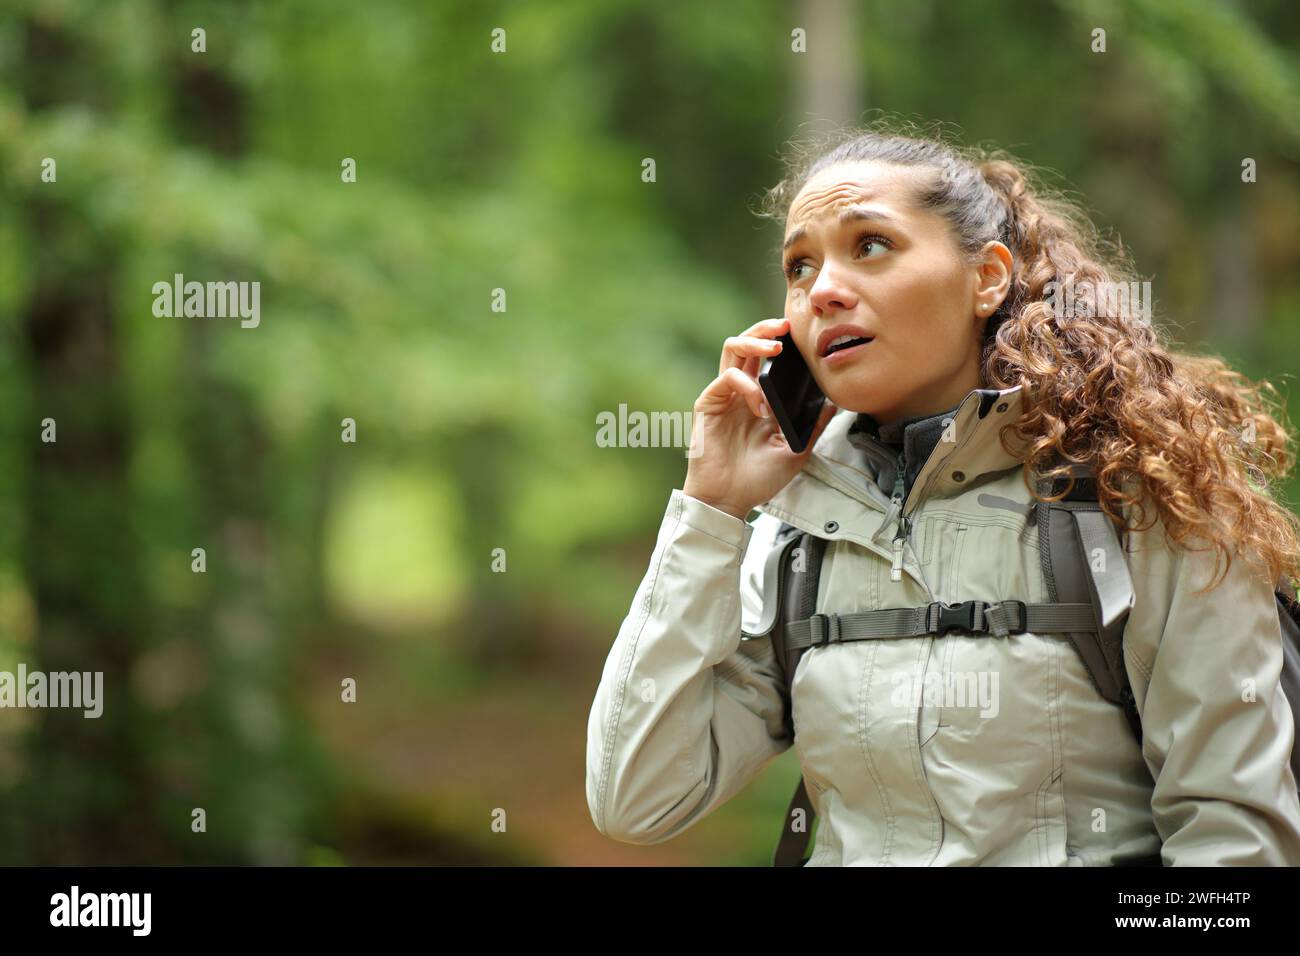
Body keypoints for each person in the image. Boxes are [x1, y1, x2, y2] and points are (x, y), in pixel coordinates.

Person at [584, 121, 1300, 865]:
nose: (823, 291)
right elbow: (635, 797)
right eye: (799, 267)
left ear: (987, 277)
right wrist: (710, 509)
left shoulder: (1141, 493)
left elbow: (1235, 844)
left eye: (870, 246)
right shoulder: (796, 534)